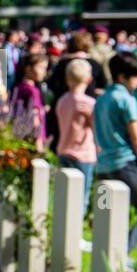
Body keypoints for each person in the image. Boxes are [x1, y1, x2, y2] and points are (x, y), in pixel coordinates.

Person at [94, 51, 137, 254]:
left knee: (108, 215)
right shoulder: (127, 100)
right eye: (136, 77)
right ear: (122, 77)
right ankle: (122, 256)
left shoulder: (101, 100)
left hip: (103, 166)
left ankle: (103, 259)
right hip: (125, 165)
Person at [55, 58, 97, 220]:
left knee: (65, 196)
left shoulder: (63, 100)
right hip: (83, 153)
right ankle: (75, 232)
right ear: (89, 79)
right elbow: (96, 130)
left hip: (63, 149)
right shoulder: (88, 103)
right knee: (81, 198)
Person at [11, 53, 49, 150]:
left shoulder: (20, 86)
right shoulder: (32, 91)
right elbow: (34, 118)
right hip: (32, 140)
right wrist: (38, 144)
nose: (44, 71)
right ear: (28, 69)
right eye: (41, 67)